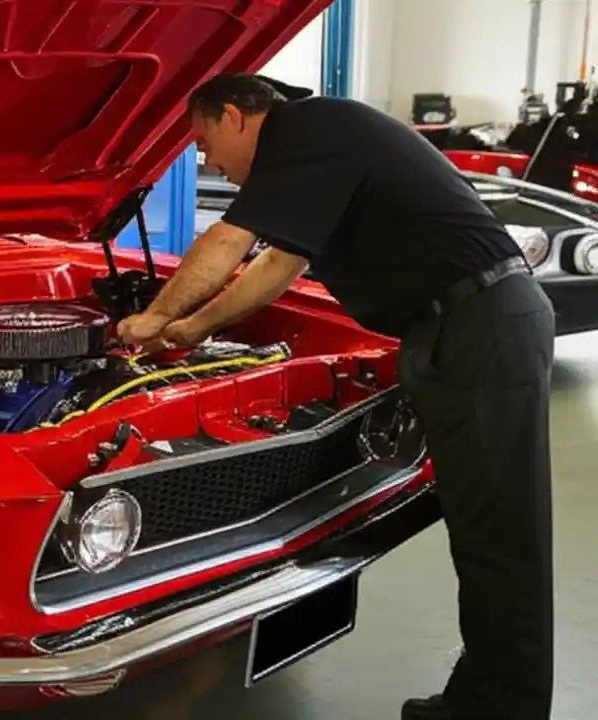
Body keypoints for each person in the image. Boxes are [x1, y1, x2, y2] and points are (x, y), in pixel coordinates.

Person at [118, 74, 555, 720]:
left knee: (502, 540)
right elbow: (277, 265)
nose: (208, 162)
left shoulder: (307, 130)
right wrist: (194, 329)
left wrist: (147, 322)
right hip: (471, 326)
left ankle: (500, 710)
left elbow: (228, 242)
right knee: (485, 532)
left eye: (205, 144)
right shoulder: (321, 141)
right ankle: (483, 698)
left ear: (237, 116)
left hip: (480, 328)